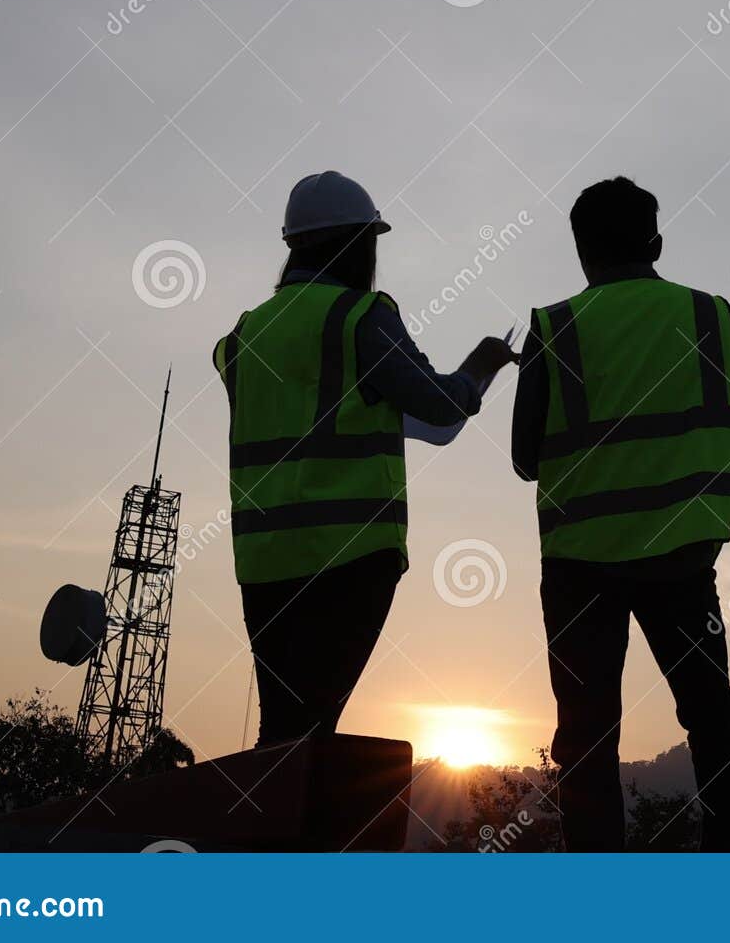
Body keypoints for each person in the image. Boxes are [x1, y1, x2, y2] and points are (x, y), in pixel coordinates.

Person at [511, 176, 730, 850]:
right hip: (681, 556)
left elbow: (523, 456)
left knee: (586, 733)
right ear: (656, 242)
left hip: (577, 565)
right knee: (711, 715)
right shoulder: (709, 317)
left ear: (579, 251)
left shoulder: (553, 328)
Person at [215, 171, 516, 746]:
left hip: (264, 560)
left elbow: (314, 418)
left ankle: (266, 831)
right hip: (350, 558)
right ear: (359, 244)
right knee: (311, 731)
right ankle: (297, 836)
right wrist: (483, 364)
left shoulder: (245, 335)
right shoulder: (360, 317)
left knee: (285, 730)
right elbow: (439, 402)